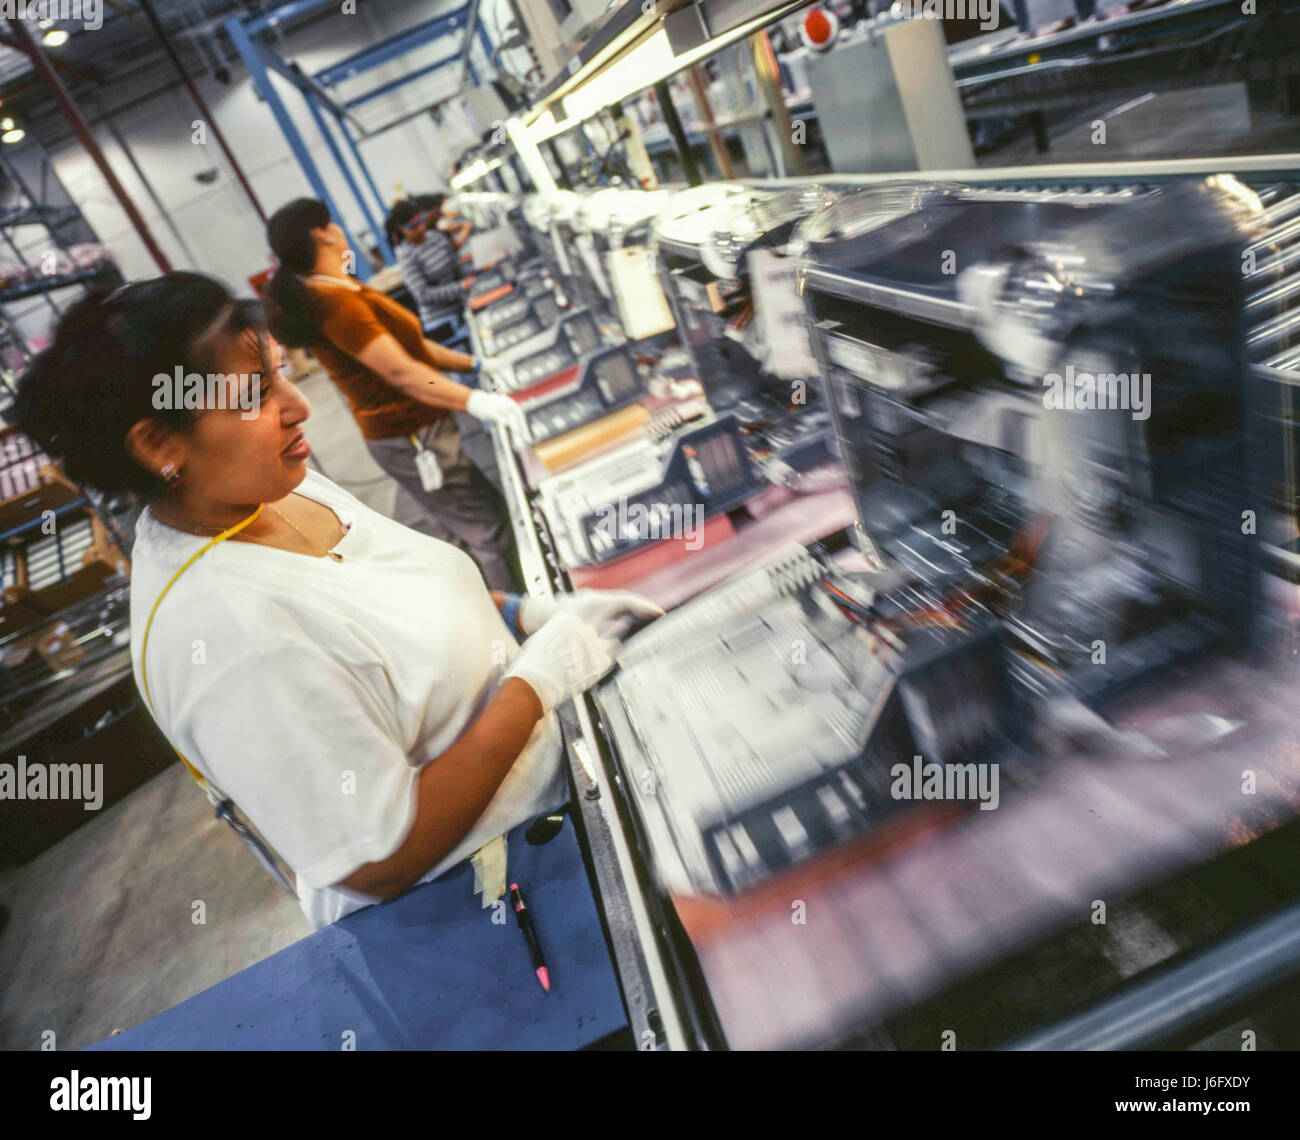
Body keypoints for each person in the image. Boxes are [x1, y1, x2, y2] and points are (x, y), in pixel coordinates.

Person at [11, 272, 663, 930]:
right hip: (492, 904)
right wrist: (538, 680)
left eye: (282, 373)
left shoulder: (272, 492)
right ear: (160, 445)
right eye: (256, 393)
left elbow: (393, 597)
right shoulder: (225, 634)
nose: (299, 405)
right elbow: (383, 855)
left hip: (555, 807)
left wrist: (519, 613)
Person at [264, 197, 522, 591]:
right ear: (321, 233)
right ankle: (518, 621)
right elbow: (402, 371)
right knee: (488, 530)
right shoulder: (336, 303)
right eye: (333, 223)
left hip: (412, 432)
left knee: (460, 530)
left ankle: (489, 609)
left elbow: (411, 349)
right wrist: (472, 400)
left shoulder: (339, 288)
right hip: (411, 436)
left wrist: (474, 365)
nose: (340, 229)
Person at [386, 195, 474, 333]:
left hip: (465, 305)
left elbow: (457, 266)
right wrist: (461, 286)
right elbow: (423, 295)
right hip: (442, 320)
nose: (421, 229)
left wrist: (478, 271)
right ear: (401, 229)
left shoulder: (436, 237)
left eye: (421, 221)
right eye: (413, 226)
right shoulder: (406, 257)